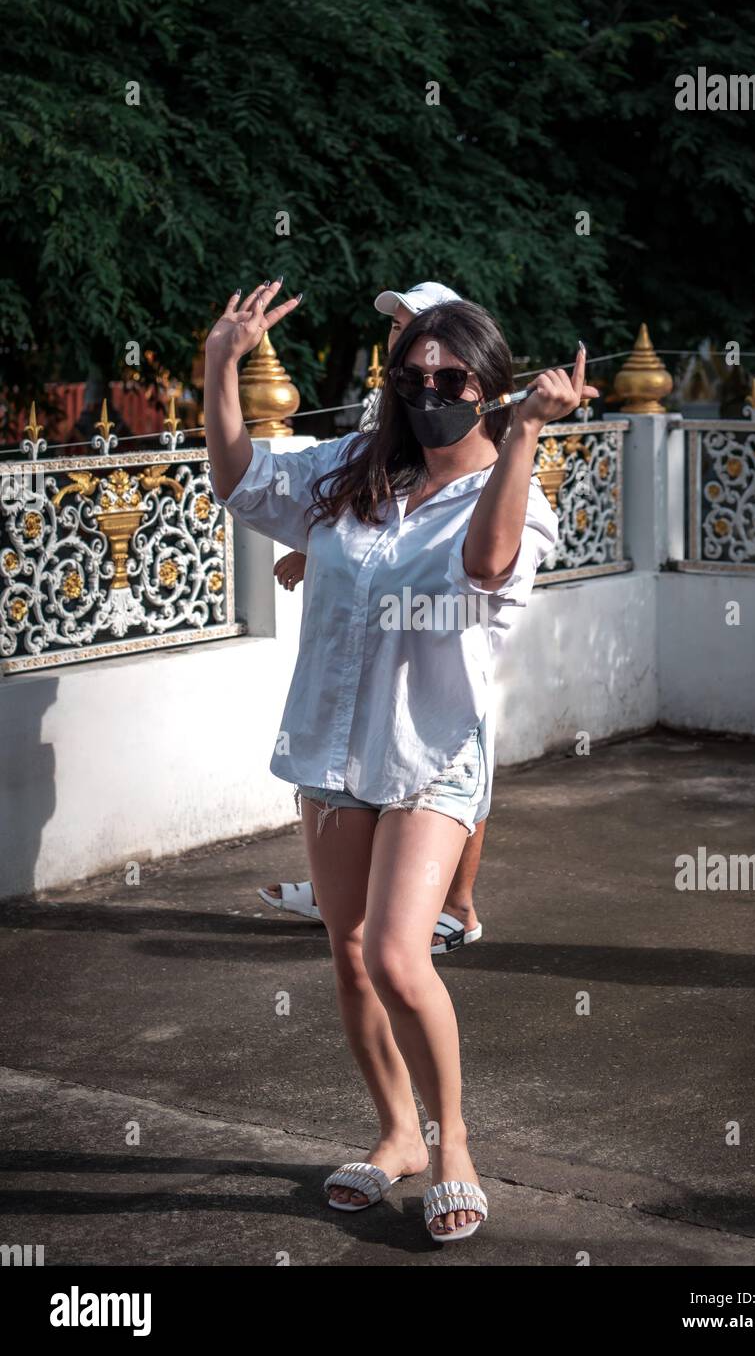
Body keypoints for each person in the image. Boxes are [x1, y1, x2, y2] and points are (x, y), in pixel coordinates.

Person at [204, 277, 596, 1241]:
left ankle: (451, 1140)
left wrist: (527, 435)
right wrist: (219, 365)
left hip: (430, 753)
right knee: (345, 958)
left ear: (487, 384)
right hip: (334, 745)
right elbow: (240, 480)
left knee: (393, 951)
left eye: (450, 375)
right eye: (410, 372)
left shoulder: (508, 487)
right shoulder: (351, 468)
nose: (427, 387)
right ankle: (395, 1138)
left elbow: (485, 566)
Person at [259, 282, 484, 953]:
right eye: (399, 329)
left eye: (418, 326)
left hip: (451, 624)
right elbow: (368, 505)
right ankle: (349, 888)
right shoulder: (391, 403)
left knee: (453, 767)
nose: (404, 338)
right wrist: (315, 548)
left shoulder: (461, 414)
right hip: (376, 633)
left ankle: (458, 906)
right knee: (360, 766)